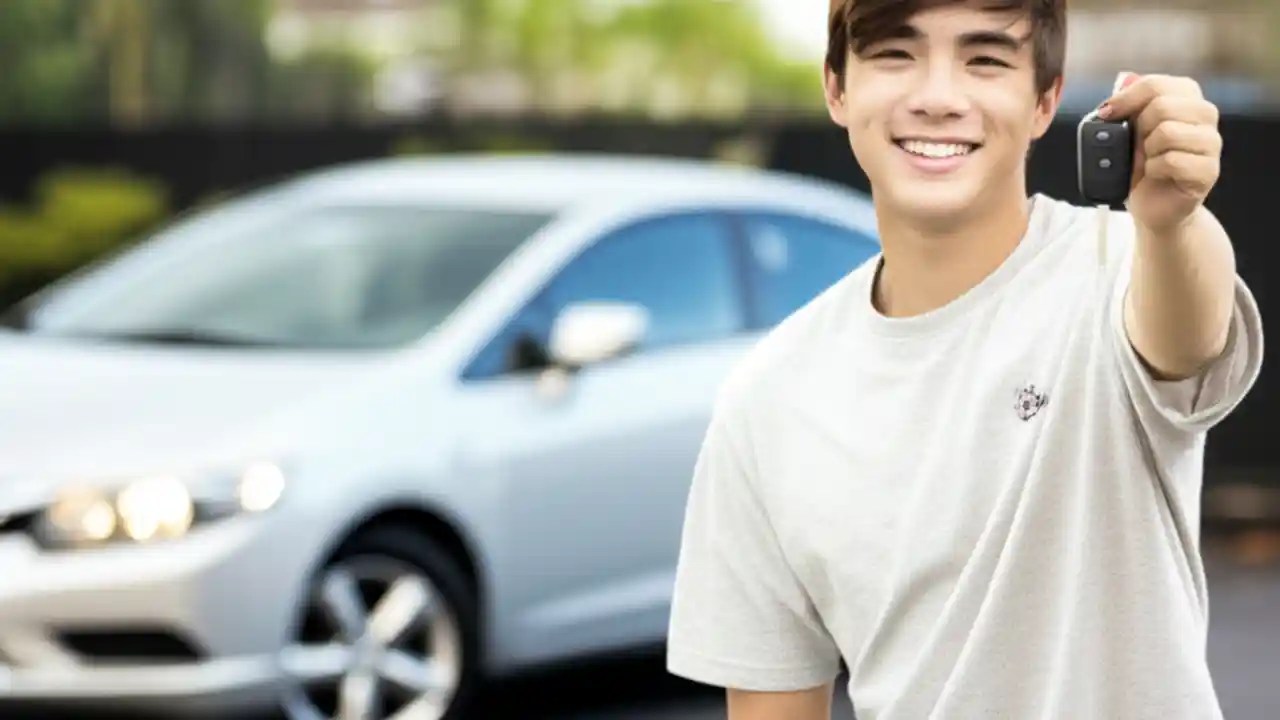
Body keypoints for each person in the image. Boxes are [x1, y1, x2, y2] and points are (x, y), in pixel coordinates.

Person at [664, 0, 1264, 718]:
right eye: (895, 54)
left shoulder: (1119, 269)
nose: (939, 97)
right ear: (836, 87)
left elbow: (1187, 335)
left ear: (1045, 99)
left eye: (985, 59)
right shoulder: (768, 397)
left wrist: (1174, 221)